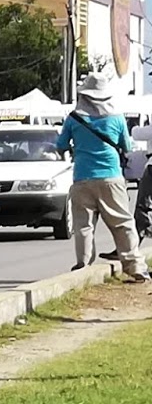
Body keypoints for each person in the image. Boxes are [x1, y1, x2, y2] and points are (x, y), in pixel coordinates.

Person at [54, 72, 150, 282]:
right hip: (111, 177)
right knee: (123, 223)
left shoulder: (74, 119)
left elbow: (60, 146)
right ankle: (135, 267)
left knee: (84, 226)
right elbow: (126, 146)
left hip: (82, 178)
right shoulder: (116, 118)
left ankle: (83, 266)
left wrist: (77, 146)